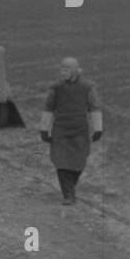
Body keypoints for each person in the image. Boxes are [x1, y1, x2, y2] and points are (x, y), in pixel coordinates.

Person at [40, 57, 102, 205]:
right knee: (61, 162)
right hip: (60, 130)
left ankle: (69, 188)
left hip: (80, 130)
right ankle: (69, 195)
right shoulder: (56, 88)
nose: (63, 73)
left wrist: (98, 128)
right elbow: (48, 108)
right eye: (62, 69)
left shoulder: (87, 87)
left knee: (78, 162)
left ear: (75, 71)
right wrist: (44, 129)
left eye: (66, 70)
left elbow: (94, 108)